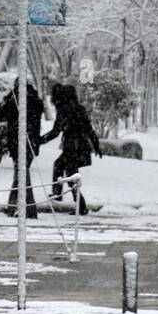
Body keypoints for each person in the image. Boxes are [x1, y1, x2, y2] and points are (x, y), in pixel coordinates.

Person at [40, 83, 101, 216]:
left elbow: (56, 131)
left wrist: (40, 141)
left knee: (69, 174)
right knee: (65, 170)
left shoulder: (64, 110)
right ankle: (61, 196)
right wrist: (96, 146)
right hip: (81, 147)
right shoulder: (79, 109)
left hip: (72, 147)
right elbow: (89, 129)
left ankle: (76, 203)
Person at [0, 80, 46, 218]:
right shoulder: (36, 100)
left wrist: (3, 102)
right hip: (32, 141)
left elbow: (1, 116)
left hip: (18, 141)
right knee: (20, 174)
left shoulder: (15, 100)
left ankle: (29, 208)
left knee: (21, 174)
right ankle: (12, 206)